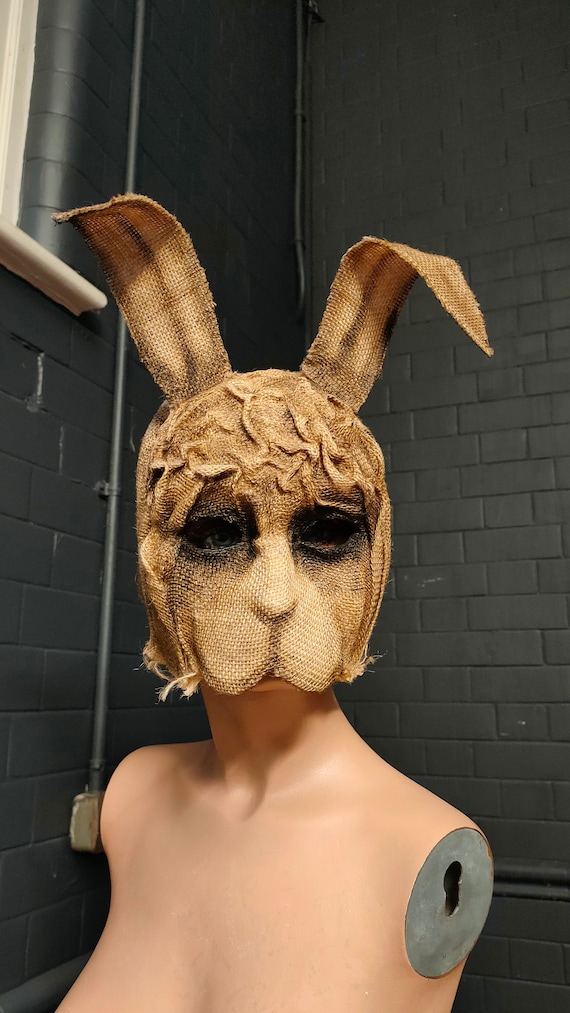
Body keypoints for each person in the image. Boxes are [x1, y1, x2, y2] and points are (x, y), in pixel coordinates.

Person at [55, 195, 493, 1012]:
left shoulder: (423, 850)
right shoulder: (135, 797)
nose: (276, 594)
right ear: (156, 556)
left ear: (375, 553)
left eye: (327, 533)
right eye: (216, 534)